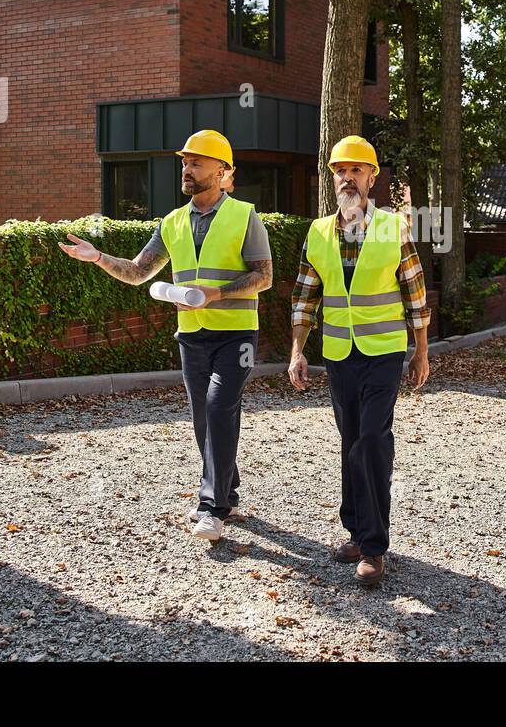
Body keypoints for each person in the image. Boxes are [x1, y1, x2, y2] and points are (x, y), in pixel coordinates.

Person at [60, 130, 273, 542]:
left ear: (222, 170)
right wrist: (99, 257)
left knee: (217, 408)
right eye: (184, 162)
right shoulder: (172, 223)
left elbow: (263, 277)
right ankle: (227, 488)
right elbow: (140, 272)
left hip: (237, 334)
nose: (187, 169)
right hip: (191, 335)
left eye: (196, 162)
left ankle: (212, 507)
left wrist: (218, 293)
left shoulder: (245, 216)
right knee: (202, 419)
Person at [287, 135, 430, 586]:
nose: (347, 178)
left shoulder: (393, 227)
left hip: (384, 351)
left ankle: (373, 547)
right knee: (350, 439)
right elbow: (305, 297)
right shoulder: (317, 232)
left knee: (371, 438)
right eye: (339, 171)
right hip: (338, 353)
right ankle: (355, 530)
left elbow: (415, 292)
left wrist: (421, 351)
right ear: (332, 178)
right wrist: (297, 350)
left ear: (372, 177)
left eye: (356, 170)